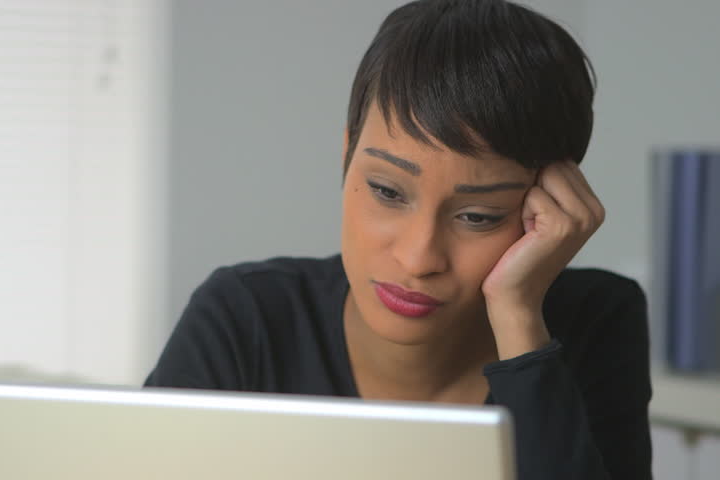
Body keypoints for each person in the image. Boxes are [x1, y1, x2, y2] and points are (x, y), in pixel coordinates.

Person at [145, 1, 652, 478]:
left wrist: (520, 320)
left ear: (546, 209)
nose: (418, 257)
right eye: (387, 191)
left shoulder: (594, 319)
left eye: (478, 216)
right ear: (347, 157)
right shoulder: (246, 317)